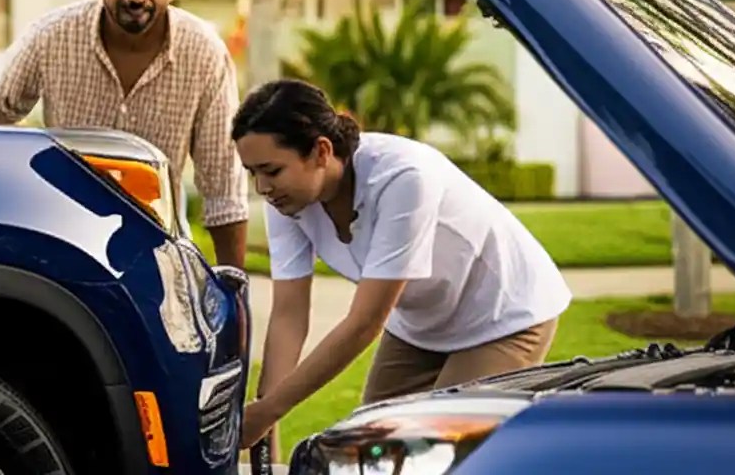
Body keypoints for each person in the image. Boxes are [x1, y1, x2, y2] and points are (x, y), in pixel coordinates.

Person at [233, 79, 571, 449]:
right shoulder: (286, 201)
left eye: (271, 170)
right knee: (373, 452)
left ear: (320, 151)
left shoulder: (402, 178)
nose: (262, 187)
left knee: (442, 450)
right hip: (420, 325)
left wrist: (270, 412)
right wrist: (264, 408)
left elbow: (364, 323)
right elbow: (289, 314)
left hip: (505, 316)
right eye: (253, 173)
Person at [0, 0, 249, 269]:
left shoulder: (205, 53)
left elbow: (223, 188)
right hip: (62, 243)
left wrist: (234, 290)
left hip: (160, 251)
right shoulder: (51, 36)